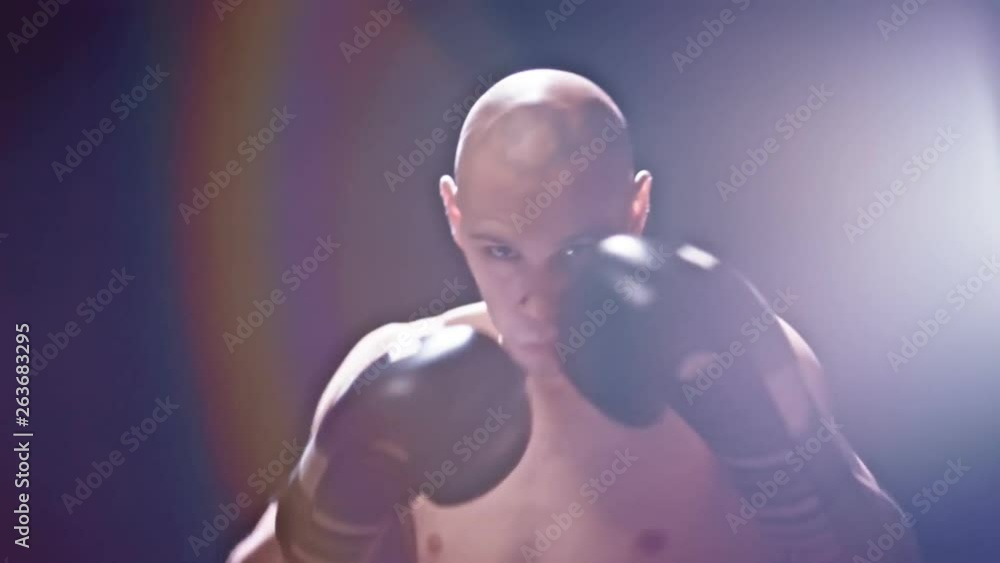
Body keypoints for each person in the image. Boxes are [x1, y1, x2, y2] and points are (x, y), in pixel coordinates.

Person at [229, 69, 921, 563]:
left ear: (635, 209)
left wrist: (796, 462)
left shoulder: (722, 355)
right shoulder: (391, 370)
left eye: (573, 251)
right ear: (453, 212)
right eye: (500, 250)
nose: (535, 296)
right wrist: (326, 515)